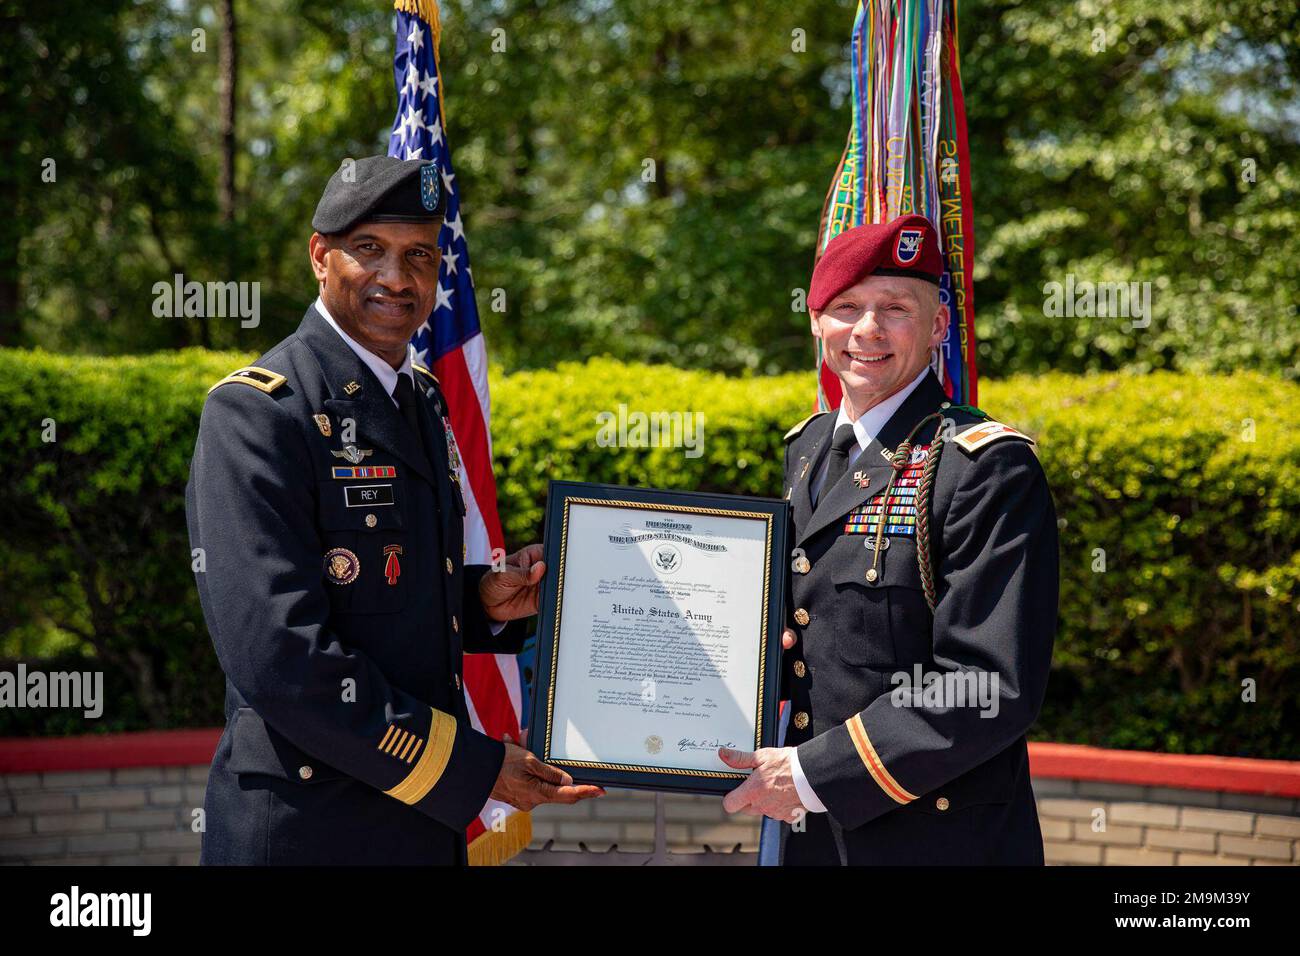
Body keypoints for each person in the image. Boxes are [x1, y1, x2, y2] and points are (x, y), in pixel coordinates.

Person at [185, 155, 601, 865]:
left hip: (417, 827)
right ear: (321, 256)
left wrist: (487, 602)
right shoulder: (258, 413)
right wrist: (472, 768)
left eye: (419, 256)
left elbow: (392, 591)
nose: (397, 278)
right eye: (369, 250)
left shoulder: (418, 400)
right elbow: (280, 656)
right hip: (308, 829)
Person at [719, 214, 1058, 865]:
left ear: (936, 328)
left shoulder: (982, 466)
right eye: (846, 307)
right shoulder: (808, 449)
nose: (866, 330)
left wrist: (816, 775)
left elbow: (988, 683)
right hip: (808, 836)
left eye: (894, 308)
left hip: (934, 841)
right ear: (818, 322)